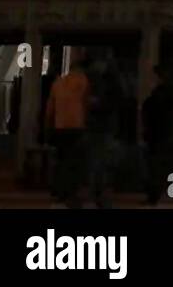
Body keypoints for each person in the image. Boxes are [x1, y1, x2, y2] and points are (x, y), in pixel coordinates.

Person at [45, 55, 91, 208]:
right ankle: (72, 193)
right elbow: (87, 103)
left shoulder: (58, 83)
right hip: (77, 126)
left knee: (62, 160)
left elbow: (50, 108)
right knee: (75, 163)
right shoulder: (83, 81)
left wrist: (48, 125)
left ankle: (60, 191)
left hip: (60, 126)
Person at [85, 52, 123, 209]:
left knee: (99, 162)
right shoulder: (109, 82)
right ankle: (100, 195)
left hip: (100, 127)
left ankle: (99, 195)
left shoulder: (100, 83)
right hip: (104, 127)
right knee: (100, 163)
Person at [142, 62, 173, 205]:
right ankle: (171, 194)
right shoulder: (166, 92)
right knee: (162, 164)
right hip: (160, 132)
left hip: (158, 133)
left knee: (156, 165)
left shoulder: (161, 94)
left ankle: (155, 195)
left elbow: (155, 112)